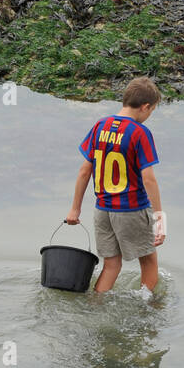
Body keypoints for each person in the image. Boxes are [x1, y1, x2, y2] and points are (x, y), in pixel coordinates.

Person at [64, 77, 166, 295]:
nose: (149, 116)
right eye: (152, 111)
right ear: (145, 107)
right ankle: (149, 312)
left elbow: (84, 171)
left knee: (111, 265)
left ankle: (95, 305)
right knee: (148, 261)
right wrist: (159, 217)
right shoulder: (140, 132)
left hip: (102, 210)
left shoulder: (100, 125)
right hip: (132, 209)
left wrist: (75, 208)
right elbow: (148, 179)